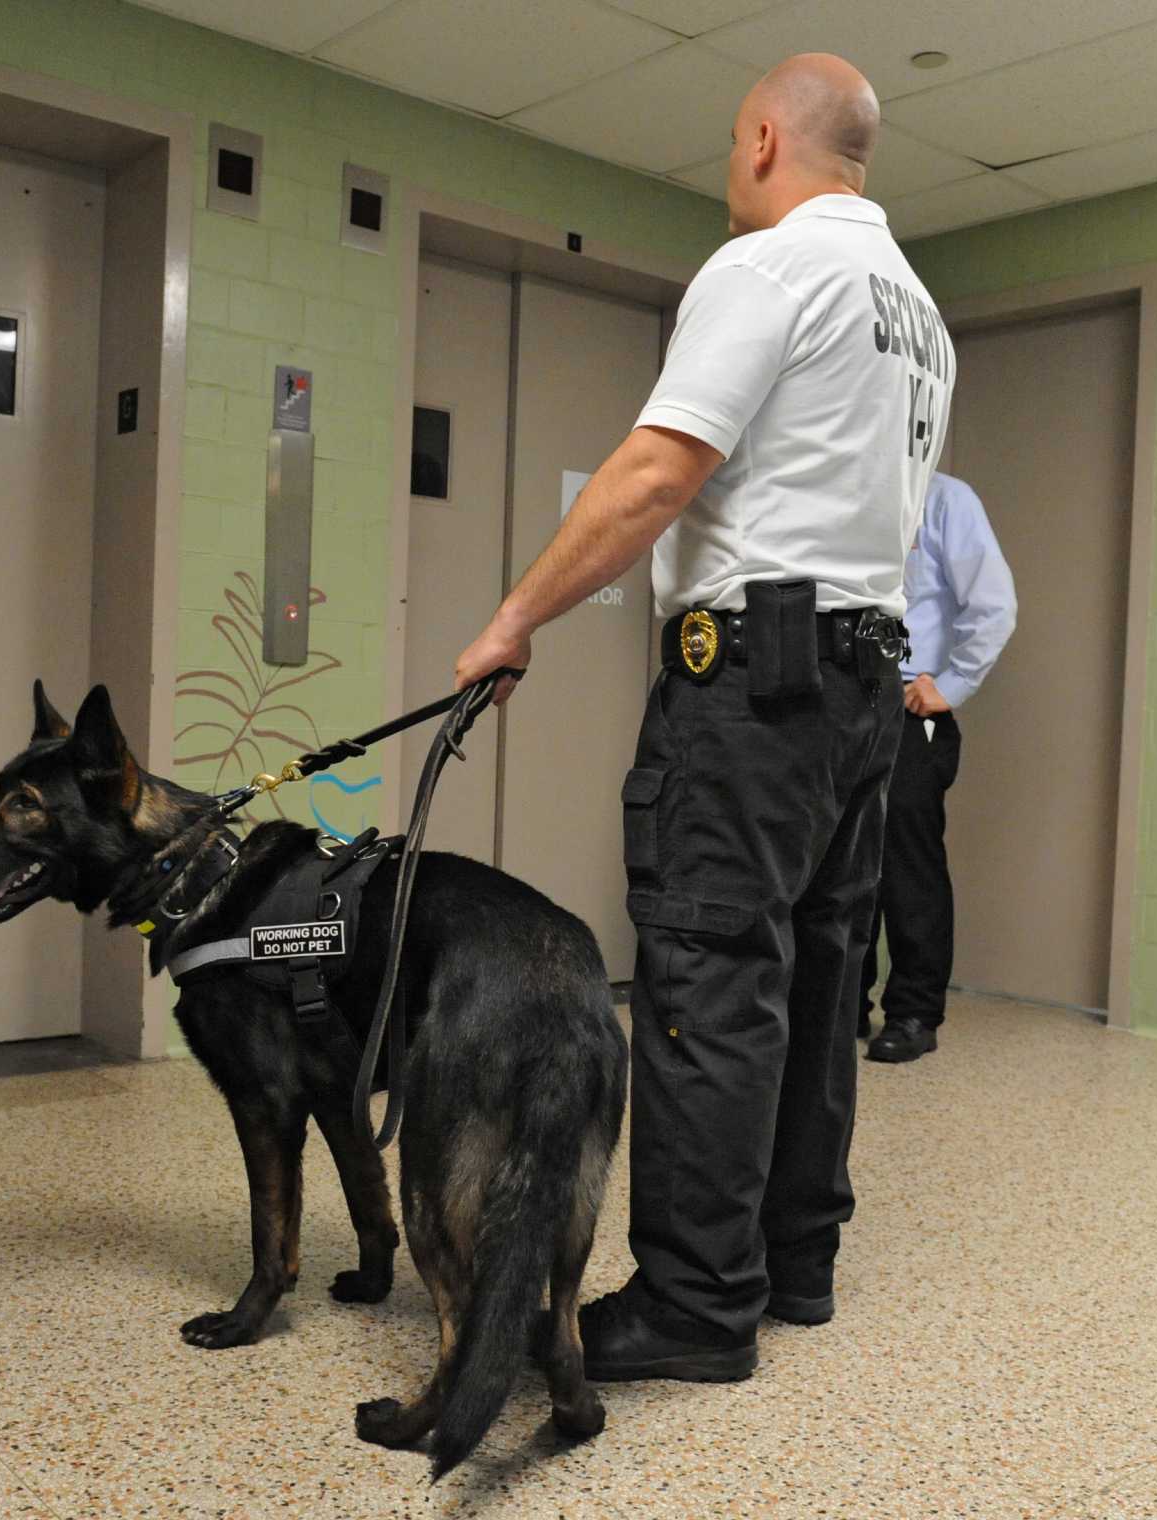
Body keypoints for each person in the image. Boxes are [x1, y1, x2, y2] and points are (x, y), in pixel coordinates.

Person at [455, 52, 953, 1382]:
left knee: (712, 976)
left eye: (734, 146)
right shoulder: (917, 311)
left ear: (762, 145)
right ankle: (795, 1266)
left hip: (756, 691)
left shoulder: (768, 268)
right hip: (860, 688)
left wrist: (517, 618)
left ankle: (693, 1306)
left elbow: (658, 472)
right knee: (820, 972)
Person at [858, 471, 1016, 1063]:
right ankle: (844, 1002)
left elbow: (994, 603)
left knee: (906, 863)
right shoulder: (848, 484)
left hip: (907, 703)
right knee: (839, 858)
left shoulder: (947, 500)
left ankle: (914, 1012)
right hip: (843, 703)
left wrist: (951, 684)